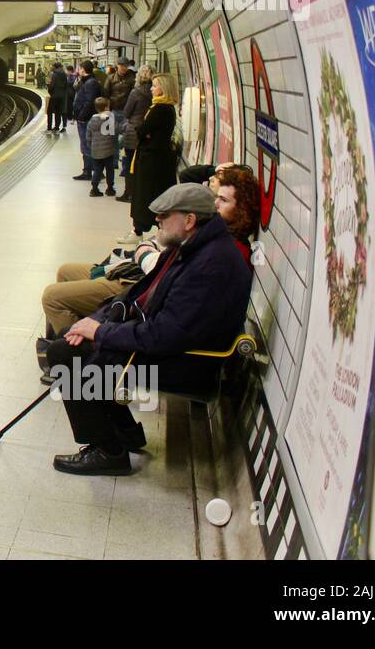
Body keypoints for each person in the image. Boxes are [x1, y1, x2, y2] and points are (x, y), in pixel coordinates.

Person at [45, 183, 253, 475]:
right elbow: (141, 292)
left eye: (164, 216)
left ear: (189, 220)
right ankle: (125, 433)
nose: (157, 222)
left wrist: (101, 333)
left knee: (67, 356)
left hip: (189, 365)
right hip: (173, 349)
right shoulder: (191, 246)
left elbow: (163, 335)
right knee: (74, 346)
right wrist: (106, 316)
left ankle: (108, 451)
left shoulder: (209, 266)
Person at [122, 71, 178, 243]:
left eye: (155, 86)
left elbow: (142, 130)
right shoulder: (167, 108)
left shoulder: (160, 109)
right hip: (159, 158)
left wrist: (144, 133)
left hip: (152, 160)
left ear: (164, 88)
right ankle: (153, 230)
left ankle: (138, 231)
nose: (152, 89)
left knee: (144, 194)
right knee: (155, 194)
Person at [116, 65, 152, 202]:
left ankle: (129, 193)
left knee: (129, 163)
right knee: (142, 165)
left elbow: (127, 112)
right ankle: (140, 193)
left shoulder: (136, 92)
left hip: (133, 132)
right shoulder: (155, 92)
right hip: (148, 132)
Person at [86, 97, 125, 197]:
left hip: (96, 151)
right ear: (107, 107)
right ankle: (110, 189)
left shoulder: (92, 120)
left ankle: (94, 189)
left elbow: (88, 136)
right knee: (109, 170)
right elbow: (117, 130)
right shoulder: (110, 119)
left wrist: (91, 146)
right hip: (108, 151)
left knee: (97, 170)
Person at [71, 60, 103, 181]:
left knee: (86, 145)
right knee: (86, 145)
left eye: (79, 68)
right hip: (84, 118)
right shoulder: (86, 81)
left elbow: (89, 102)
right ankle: (90, 170)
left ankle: (89, 171)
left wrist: (81, 117)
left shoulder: (90, 83)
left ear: (83, 69)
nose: (78, 71)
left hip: (86, 119)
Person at [46, 62, 68, 133]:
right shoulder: (64, 74)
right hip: (62, 96)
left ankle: (49, 128)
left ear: (55, 67)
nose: (52, 67)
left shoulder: (53, 74)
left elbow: (51, 85)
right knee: (58, 112)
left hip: (54, 96)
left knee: (49, 112)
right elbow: (66, 85)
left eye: (52, 66)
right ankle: (57, 128)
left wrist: (50, 92)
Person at [63, 64, 77, 132]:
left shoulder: (73, 76)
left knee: (70, 105)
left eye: (67, 70)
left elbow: (71, 83)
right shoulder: (68, 76)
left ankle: (70, 116)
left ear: (70, 71)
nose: (66, 72)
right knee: (68, 105)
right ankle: (69, 116)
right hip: (68, 93)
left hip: (71, 94)